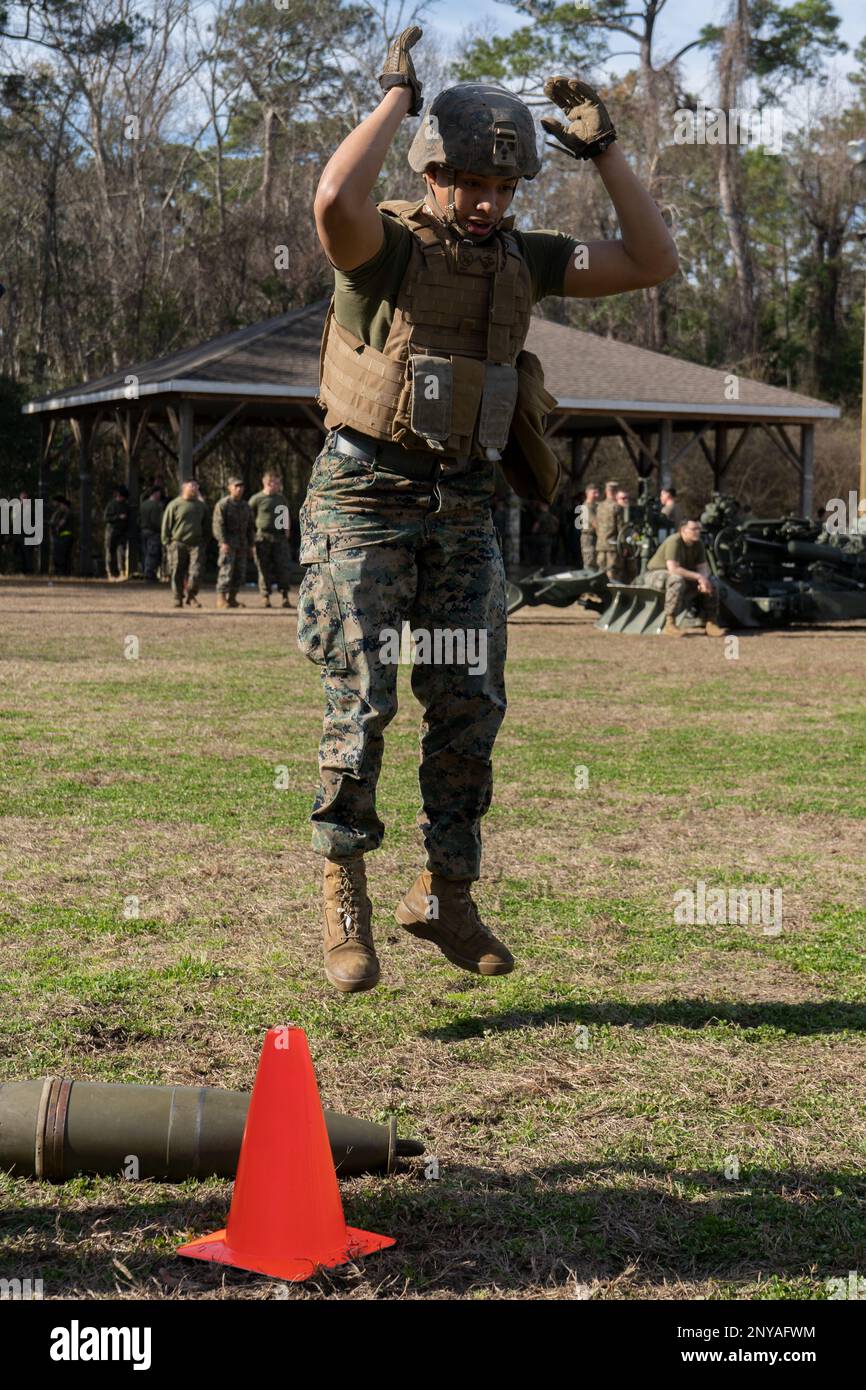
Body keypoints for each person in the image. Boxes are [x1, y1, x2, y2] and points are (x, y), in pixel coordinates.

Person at [305, 27, 678, 991]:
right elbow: (331, 200)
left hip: (467, 507)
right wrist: (396, 98)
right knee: (365, 702)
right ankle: (348, 899)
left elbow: (651, 259)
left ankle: (448, 896)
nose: (487, 201)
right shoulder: (382, 249)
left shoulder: (526, 258)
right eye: (470, 180)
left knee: (469, 704)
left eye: (506, 187)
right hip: (367, 496)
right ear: (433, 171)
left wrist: (604, 152)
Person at [644, 517, 728, 637]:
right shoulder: (674, 541)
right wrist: (699, 577)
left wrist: (703, 581)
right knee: (676, 580)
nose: (698, 532)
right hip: (657, 574)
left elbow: (703, 568)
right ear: (683, 531)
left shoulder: (698, 544)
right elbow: (673, 569)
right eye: (694, 529)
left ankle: (711, 622)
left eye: (699, 529)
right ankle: (670, 623)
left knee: (711, 581)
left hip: (682, 574)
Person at [161, 480, 210, 609]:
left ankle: (191, 595)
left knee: (197, 571)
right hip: (178, 543)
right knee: (177, 571)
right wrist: (167, 542)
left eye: (196, 485)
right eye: (191, 485)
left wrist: (205, 541)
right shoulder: (174, 505)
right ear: (184, 488)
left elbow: (207, 525)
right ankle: (178, 597)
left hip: (197, 544)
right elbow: (166, 524)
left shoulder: (201, 506)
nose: (194, 488)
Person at [248, 470, 293, 608]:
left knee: (283, 567)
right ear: (268, 483)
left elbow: (285, 515)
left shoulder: (281, 498)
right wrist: (252, 537)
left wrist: (287, 530)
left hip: (279, 538)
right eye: (277, 482)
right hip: (262, 538)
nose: (279, 485)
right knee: (263, 567)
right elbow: (248, 518)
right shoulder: (256, 499)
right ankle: (265, 596)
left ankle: (285, 596)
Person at [213, 476, 254, 610]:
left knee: (239, 572)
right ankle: (221, 599)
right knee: (226, 570)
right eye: (236, 486)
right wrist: (223, 542)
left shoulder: (245, 506)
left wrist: (251, 544)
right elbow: (218, 525)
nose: (239, 489)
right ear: (229, 488)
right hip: (228, 543)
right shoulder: (223, 504)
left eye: (241, 486)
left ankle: (232, 599)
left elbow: (250, 527)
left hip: (242, 544)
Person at [594, 480, 625, 580]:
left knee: (601, 572)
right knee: (612, 573)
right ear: (616, 492)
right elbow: (621, 528)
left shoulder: (599, 506)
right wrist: (624, 545)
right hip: (613, 546)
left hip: (600, 545)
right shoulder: (617, 507)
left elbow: (596, 525)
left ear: (606, 491)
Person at [104, 484, 132, 581]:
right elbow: (106, 518)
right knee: (110, 552)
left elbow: (129, 520)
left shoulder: (126, 506)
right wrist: (118, 517)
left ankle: (122, 572)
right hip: (112, 532)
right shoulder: (111, 505)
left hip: (122, 532)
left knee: (121, 552)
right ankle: (110, 573)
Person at [139, 485, 165, 582]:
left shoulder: (143, 504)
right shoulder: (156, 506)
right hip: (153, 532)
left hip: (143, 530)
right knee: (152, 553)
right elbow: (156, 521)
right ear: (156, 493)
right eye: (159, 493)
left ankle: (146, 571)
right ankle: (149, 573)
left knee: (145, 552)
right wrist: (162, 529)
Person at [50, 495, 74, 576]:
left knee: (61, 556)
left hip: (64, 537)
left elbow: (61, 523)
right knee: (66, 556)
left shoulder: (66, 513)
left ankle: (61, 572)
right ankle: (65, 572)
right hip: (66, 536)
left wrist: (56, 526)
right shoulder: (66, 513)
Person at [578, 482, 600, 569]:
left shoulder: (596, 506)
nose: (597, 495)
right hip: (588, 538)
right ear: (587, 493)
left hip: (596, 537)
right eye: (594, 493)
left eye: (597, 493)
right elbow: (595, 523)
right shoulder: (586, 507)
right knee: (590, 563)